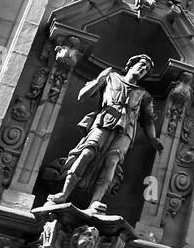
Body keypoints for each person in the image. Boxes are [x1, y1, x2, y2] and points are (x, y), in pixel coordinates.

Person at [49, 54, 162, 207]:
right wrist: (99, 80)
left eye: (146, 69)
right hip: (104, 120)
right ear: (131, 65)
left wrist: (153, 139)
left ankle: (95, 203)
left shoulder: (144, 95)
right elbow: (82, 95)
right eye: (141, 65)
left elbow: (148, 120)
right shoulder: (111, 77)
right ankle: (64, 194)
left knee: (112, 162)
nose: (143, 69)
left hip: (126, 130)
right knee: (87, 153)